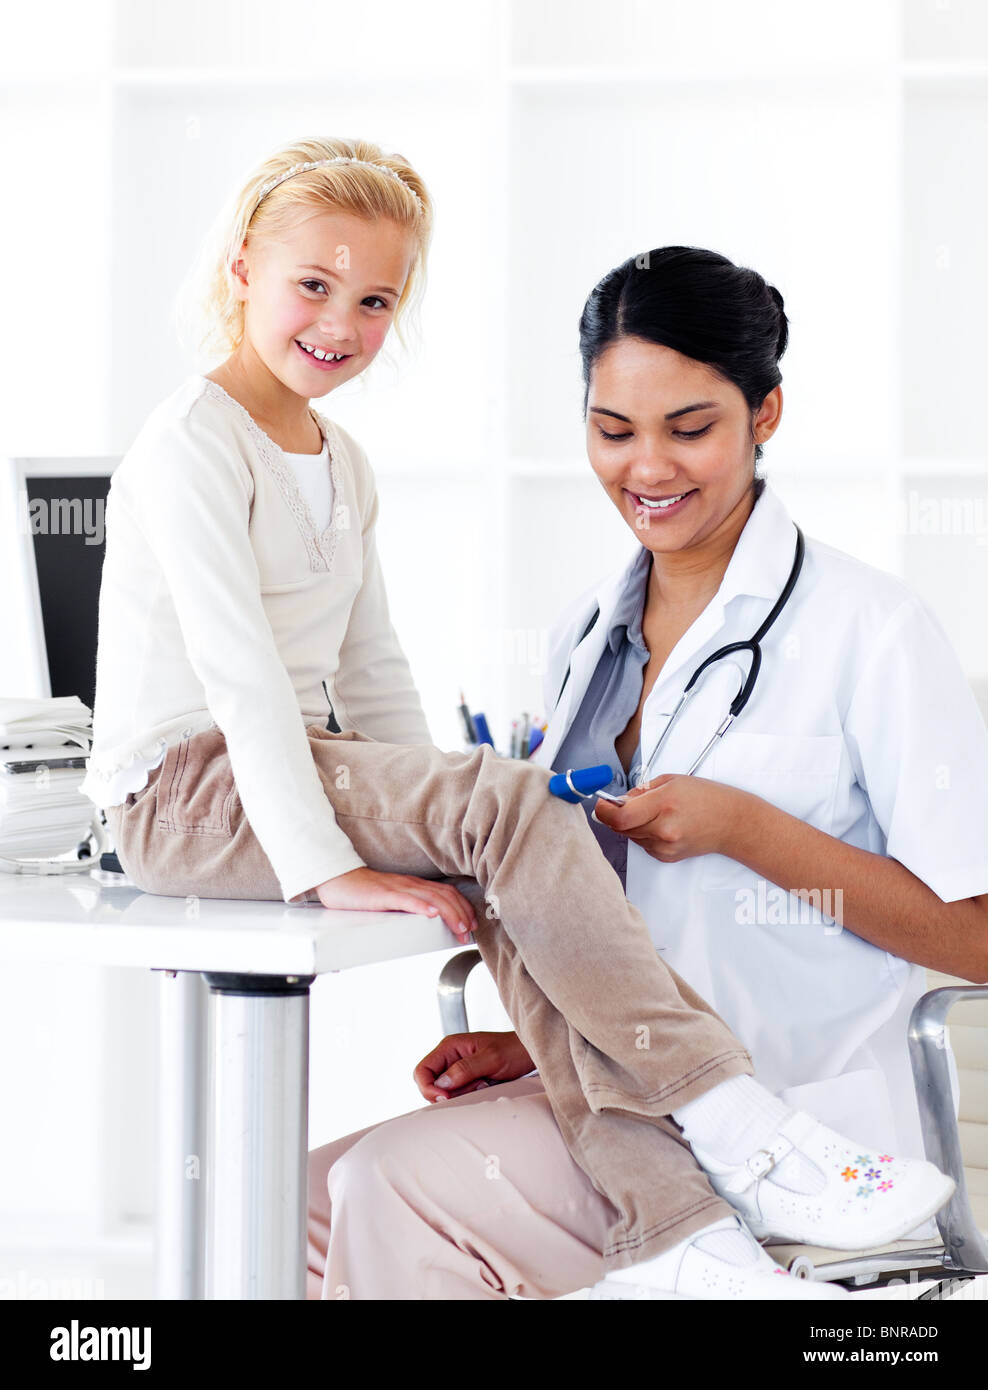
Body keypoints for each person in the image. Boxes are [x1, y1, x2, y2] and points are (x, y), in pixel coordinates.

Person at [78, 138, 956, 1303]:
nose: (647, 465)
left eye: (689, 428)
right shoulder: (583, 644)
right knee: (278, 1201)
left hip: (812, 1101)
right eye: (611, 428)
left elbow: (979, 939)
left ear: (766, 414)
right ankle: (691, 1198)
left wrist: (746, 830)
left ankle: (738, 1145)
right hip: (622, 1075)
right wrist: (527, 1032)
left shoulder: (871, 630)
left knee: (390, 1181)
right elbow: (567, 905)